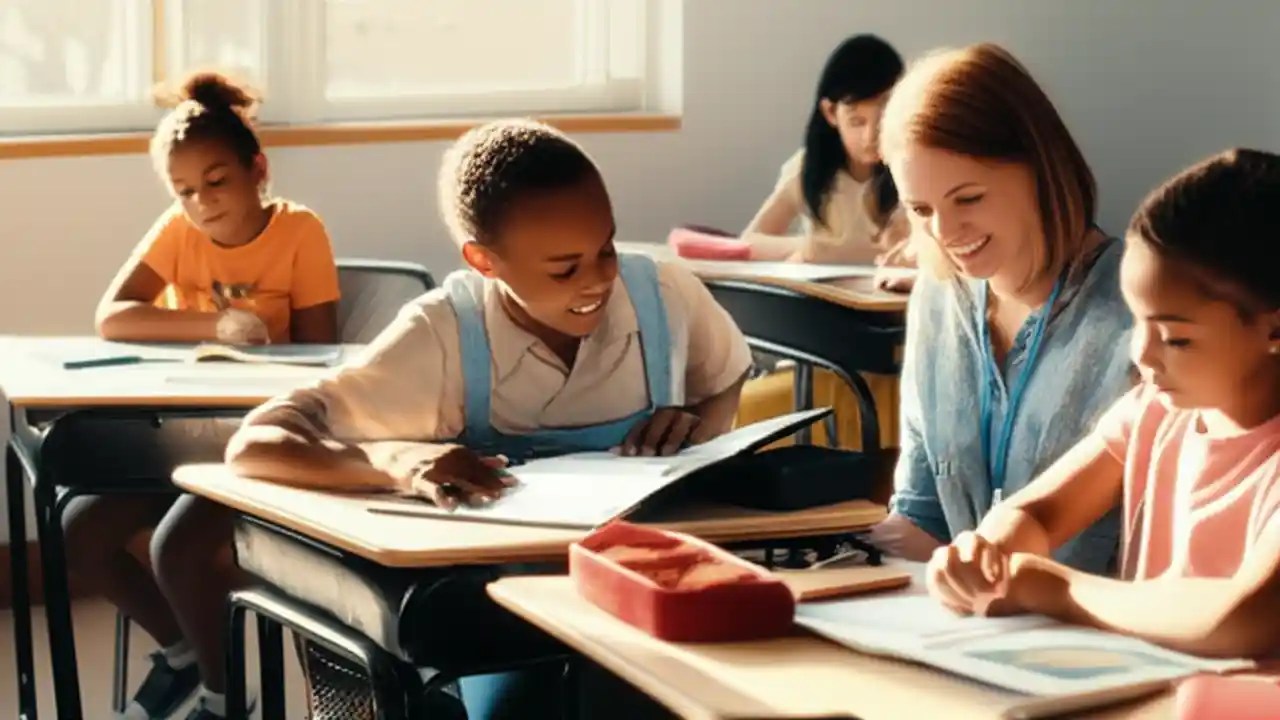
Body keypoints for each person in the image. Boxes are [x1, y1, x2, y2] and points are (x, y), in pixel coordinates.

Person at [224, 118, 753, 717]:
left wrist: (699, 427)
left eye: (605, 247)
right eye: (564, 268)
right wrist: (396, 462)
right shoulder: (444, 334)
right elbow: (256, 444)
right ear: (483, 261)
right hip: (512, 615)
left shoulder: (663, 294)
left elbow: (726, 376)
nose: (600, 278)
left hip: (657, 592)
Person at [925, 149, 1280, 659]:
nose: (1143, 355)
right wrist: (985, 556)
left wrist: (1057, 590)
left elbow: (1245, 619)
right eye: (1137, 321)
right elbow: (1038, 515)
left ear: (1274, 327)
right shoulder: (1155, 414)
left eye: (1176, 339)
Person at [70, 70, 341, 720]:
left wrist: (263, 350)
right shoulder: (178, 231)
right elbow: (114, 315)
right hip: (180, 434)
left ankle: (225, 699)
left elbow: (326, 361)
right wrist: (217, 325)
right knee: (77, 532)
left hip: (254, 447)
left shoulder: (300, 232)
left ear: (258, 170)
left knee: (176, 550)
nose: (202, 203)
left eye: (216, 182)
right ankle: (186, 653)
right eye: (185, 191)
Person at [867, 43, 1133, 574]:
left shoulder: (1140, 312)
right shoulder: (938, 300)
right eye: (921, 210)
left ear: (1040, 168)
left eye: (967, 199)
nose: (944, 234)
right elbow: (924, 523)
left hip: (1098, 635)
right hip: (966, 632)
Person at [742, 33, 909, 270]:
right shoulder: (808, 167)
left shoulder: (911, 166)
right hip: (822, 300)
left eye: (882, 120)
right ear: (831, 113)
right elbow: (749, 241)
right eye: (857, 122)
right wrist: (808, 248)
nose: (871, 137)